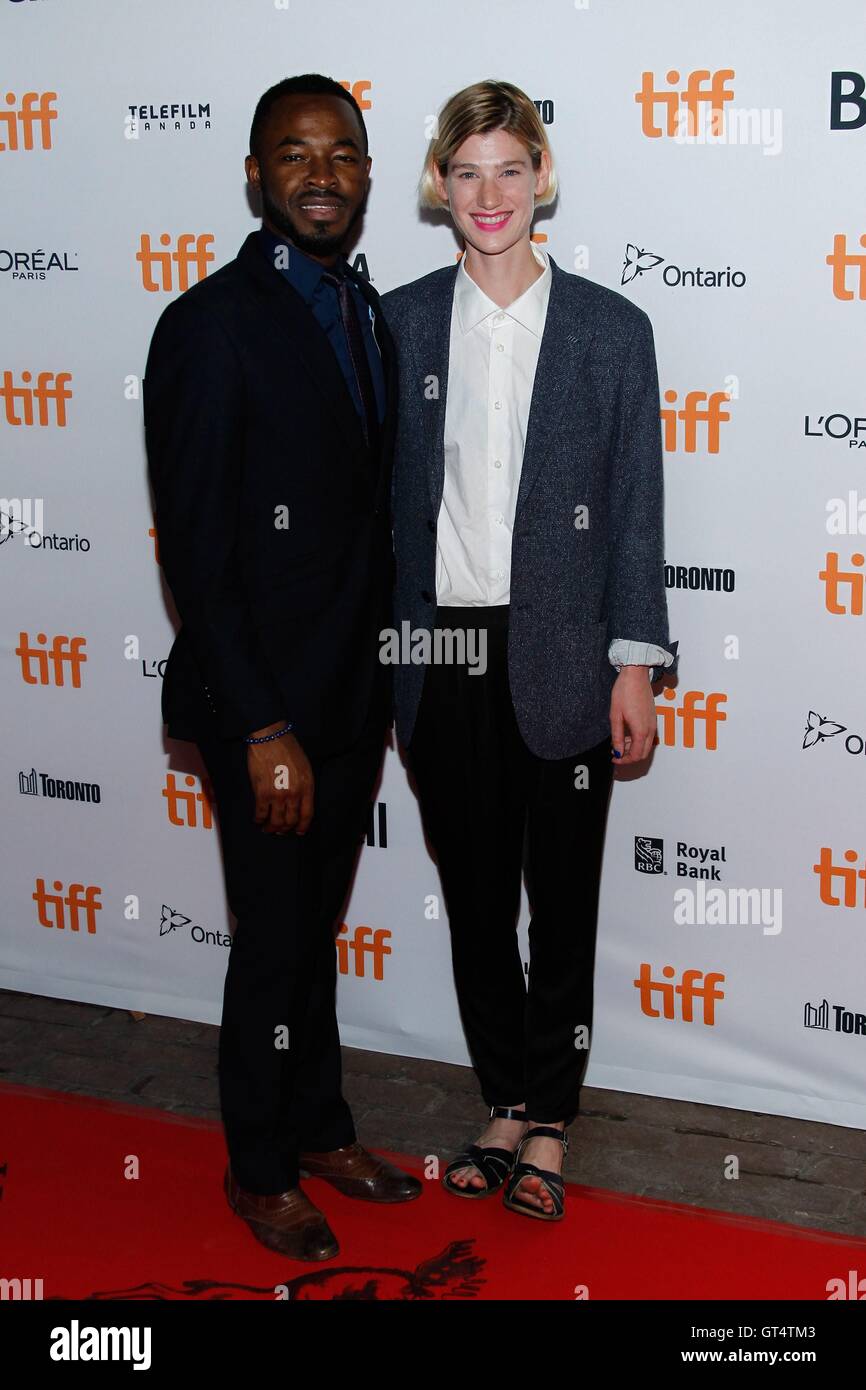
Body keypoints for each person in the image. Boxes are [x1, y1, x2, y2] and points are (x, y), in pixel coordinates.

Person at [382, 80, 675, 1222]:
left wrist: (635, 661)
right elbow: (380, 509)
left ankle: (548, 1118)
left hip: (564, 653)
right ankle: (500, 1096)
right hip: (440, 653)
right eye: (467, 171)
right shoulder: (397, 320)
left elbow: (636, 504)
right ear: (439, 186)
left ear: (541, 175)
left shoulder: (611, 330)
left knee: (560, 902)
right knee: (470, 902)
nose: (489, 193)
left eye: (510, 167)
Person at [144, 73, 421, 1263]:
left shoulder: (367, 312)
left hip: (351, 695)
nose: (320, 173)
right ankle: (257, 1166)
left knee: (312, 929)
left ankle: (318, 1125)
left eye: (342, 153)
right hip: (263, 706)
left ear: (366, 174)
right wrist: (260, 726)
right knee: (270, 937)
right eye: (292, 155)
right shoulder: (208, 325)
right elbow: (200, 553)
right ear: (254, 177)